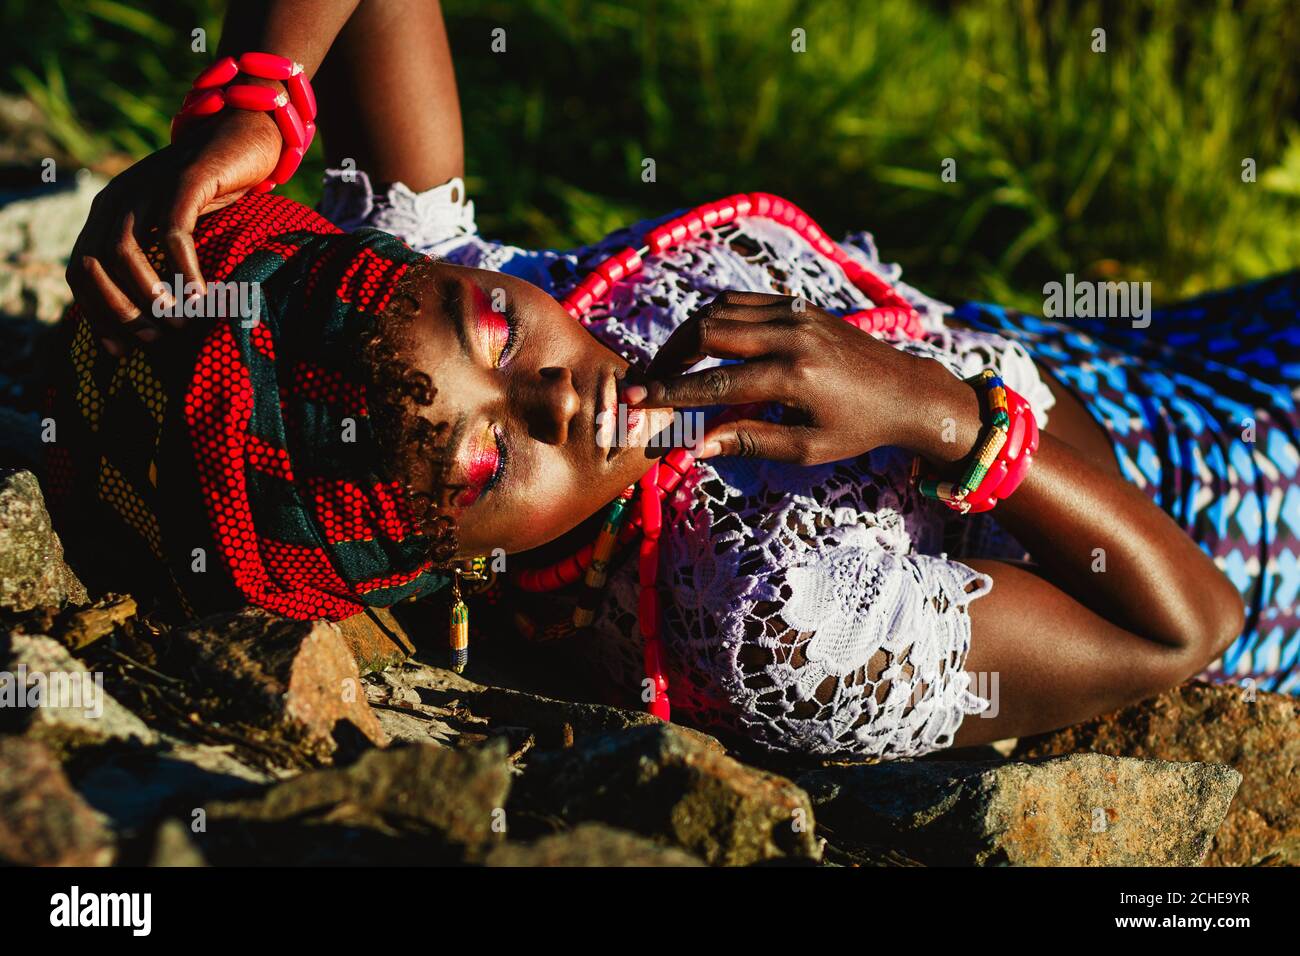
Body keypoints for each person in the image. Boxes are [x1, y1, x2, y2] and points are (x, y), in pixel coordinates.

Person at [55, 0, 1297, 763]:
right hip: (1243, 509)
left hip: (1156, 357)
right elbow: (1185, 627)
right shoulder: (775, 616)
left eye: (495, 329)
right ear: (436, 563)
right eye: (488, 467)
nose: (543, 394)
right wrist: (930, 410)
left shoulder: (444, 308)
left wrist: (255, 107)